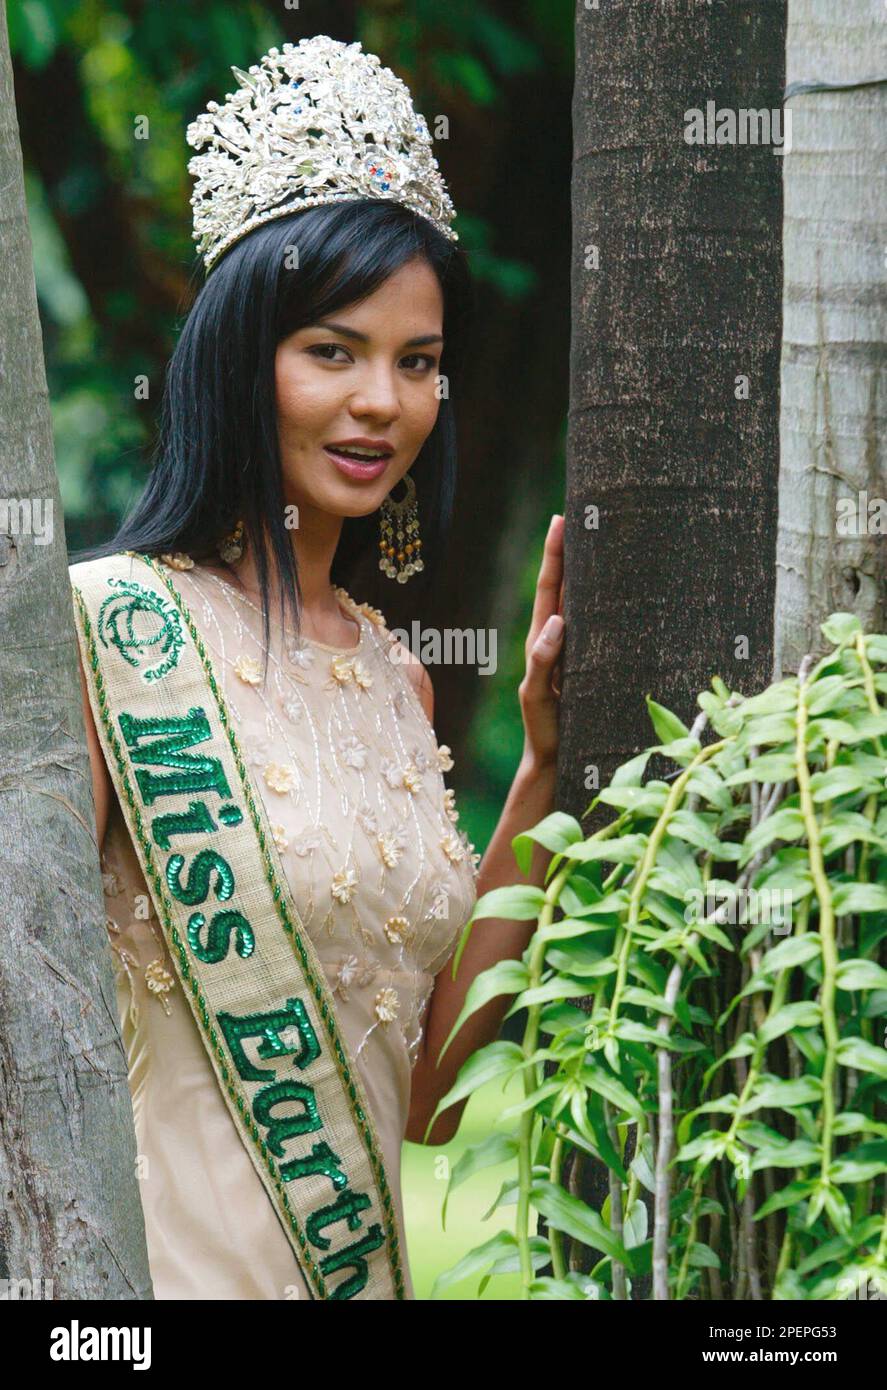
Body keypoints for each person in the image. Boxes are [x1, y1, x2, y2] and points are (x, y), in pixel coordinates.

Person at [70, 34, 564, 1301]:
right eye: (331, 351)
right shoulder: (114, 632)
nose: (381, 404)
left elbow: (433, 1098)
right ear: (243, 363)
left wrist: (543, 770)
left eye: (417, 362)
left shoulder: (397, 678)